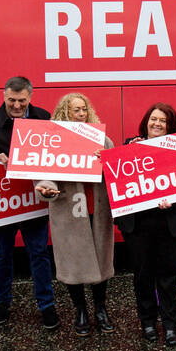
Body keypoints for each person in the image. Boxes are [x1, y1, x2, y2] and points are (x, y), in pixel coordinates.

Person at [0, 76, 58, 331]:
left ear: (30, 97)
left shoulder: (43, 117)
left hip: (32, 198)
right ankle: (1, 303)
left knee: (39, 253)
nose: (16, 106)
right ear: (3, 96)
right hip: (3, 201)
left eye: (21, 101)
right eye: (11, 101)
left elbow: (54, 153)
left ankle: (46, 305)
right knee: (1, 254)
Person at [35, 93, 115, 337]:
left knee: (101, 259)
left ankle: (100, 308)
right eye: (75, 110)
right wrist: (45, 187)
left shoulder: (102, 139)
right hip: (69, 211)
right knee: (73, 263)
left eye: (83, 109)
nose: (81, 114)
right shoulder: (55, 141)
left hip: (98, 209)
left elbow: (117, 170)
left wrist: (107, 160)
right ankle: (80, 310)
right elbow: (44, 171)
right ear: (64, 113)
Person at [116, 102, 176, 347]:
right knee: (142, 276)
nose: (157, 124)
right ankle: (147, 322)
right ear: (146, 121)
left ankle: (170, 325)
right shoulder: (130, 146)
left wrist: (175, 199)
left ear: (170, 126)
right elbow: (117, 178)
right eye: (154, 119)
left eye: (163, 121)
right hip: (138, 225)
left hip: (170, 223)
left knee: (169, 277)